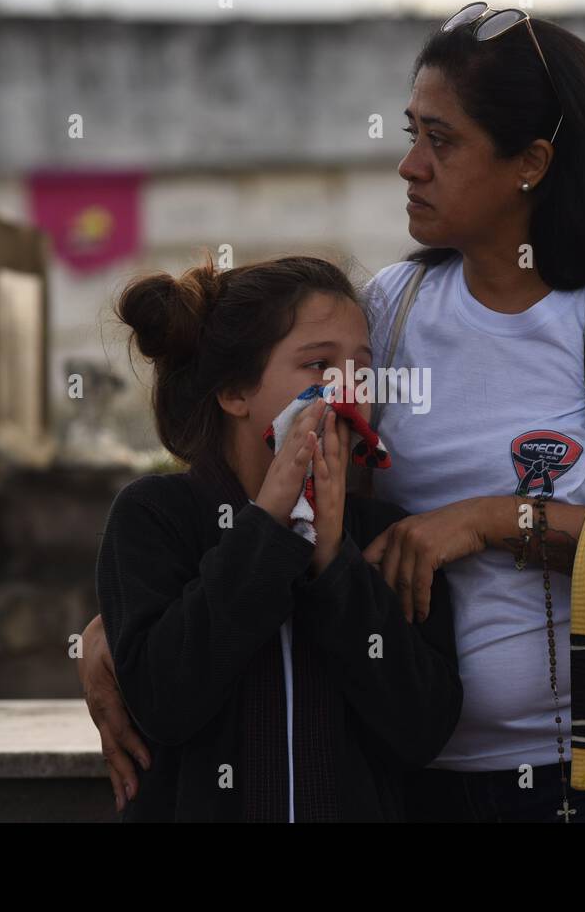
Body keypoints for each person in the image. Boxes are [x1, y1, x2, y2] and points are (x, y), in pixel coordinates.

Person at [81, 3, 585, 822]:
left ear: (530, 163)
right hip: (421, 776)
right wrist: (125, 618)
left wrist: (488, 520)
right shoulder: (393, 311)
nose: (410, 165)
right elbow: (303, 508)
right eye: (411, 133)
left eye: (443, 141)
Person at [93, 254, 461, 821]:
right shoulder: (155, 516)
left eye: (361, 371)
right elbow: (165, 702)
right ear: (235, 391)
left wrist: (334, 561)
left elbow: (421, 729)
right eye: (318, 366)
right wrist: (266, 528)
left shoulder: (385, 532)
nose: (345, 389)